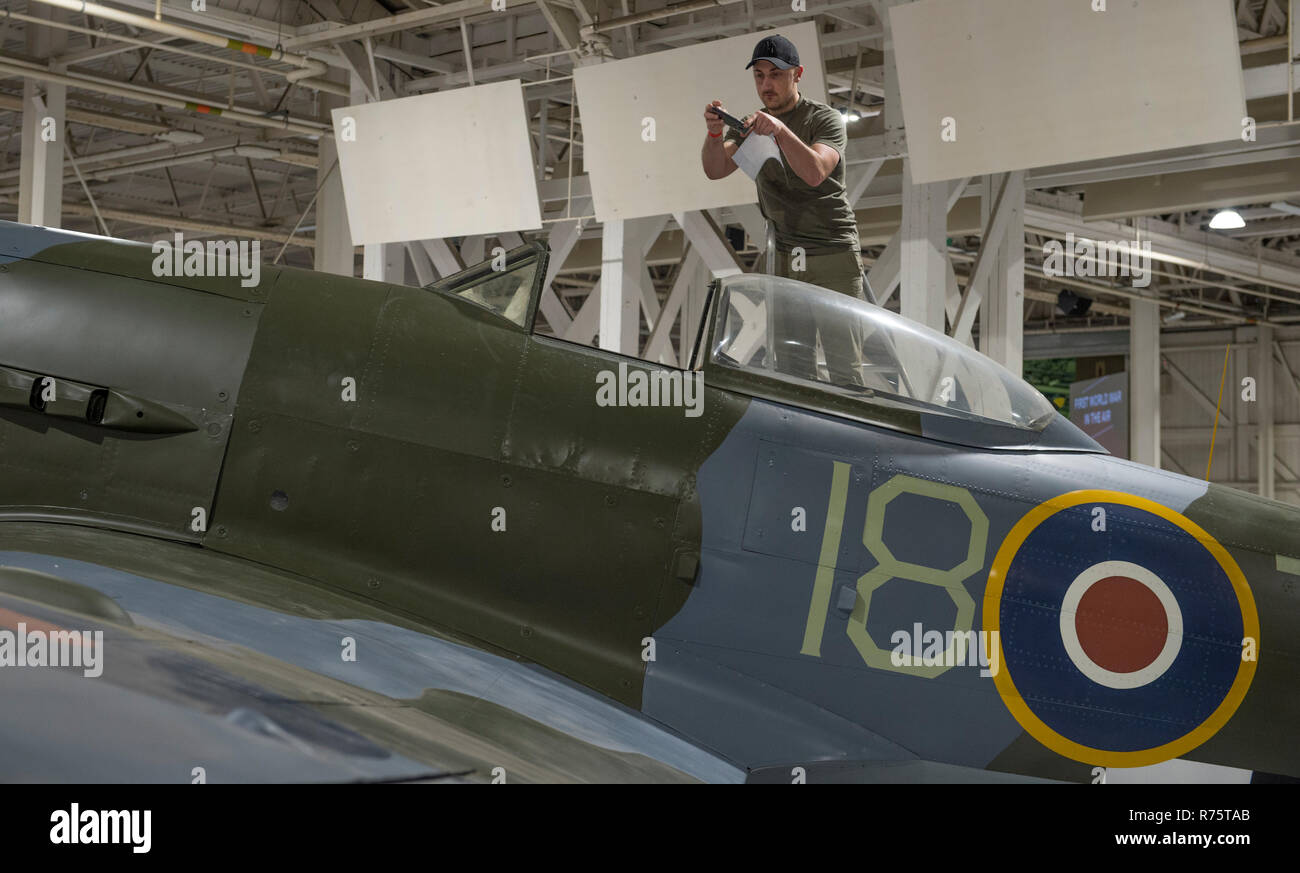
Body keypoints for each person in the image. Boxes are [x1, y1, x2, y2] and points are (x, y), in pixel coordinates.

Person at [701, 33, 865, 387]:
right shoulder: (751, 125)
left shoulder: (824, 119)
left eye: (775, 74)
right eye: (759, 76)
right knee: (793, 366)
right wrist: (714, 134)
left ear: (797, 74)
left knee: (844, 369)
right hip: (786, 256)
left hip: (832, 251)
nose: (766, 84)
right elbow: (716, 169)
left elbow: (816, 172)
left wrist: (780, 132)